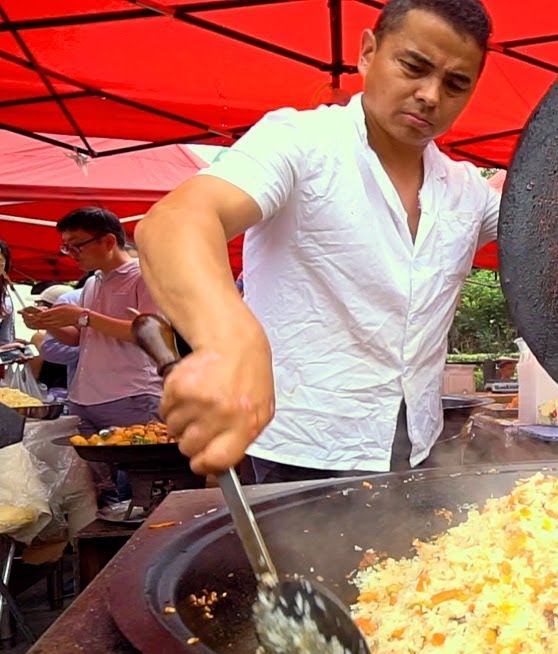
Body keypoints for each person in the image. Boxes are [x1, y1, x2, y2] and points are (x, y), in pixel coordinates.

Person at [135, 0, 498, 481]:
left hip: (415, 443)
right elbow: (175, 221)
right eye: (414, 66)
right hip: (302, 448)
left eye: (456, 84)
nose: (430, 95)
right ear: (368, 52)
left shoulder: (467, 190)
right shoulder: (299, 141)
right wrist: (230, 341)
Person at [23, 208, 163, 500]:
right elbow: (80, 340)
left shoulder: (144, 275)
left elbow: (149, 332)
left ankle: (138, 540)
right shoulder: (92, 281)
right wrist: (49, 324)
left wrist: (84, 316)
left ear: (108, 241)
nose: (71, 253)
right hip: (85, 398)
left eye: (77, 244)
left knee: (139, 483)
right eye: (66, 246)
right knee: (99, 488)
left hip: (131, 394)